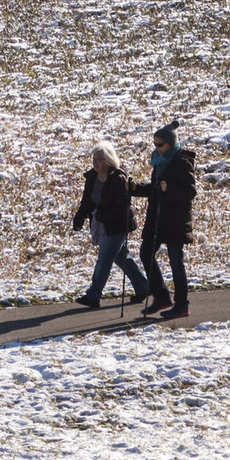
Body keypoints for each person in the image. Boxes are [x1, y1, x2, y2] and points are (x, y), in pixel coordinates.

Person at [71, 147, 148, 310]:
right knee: (121, 257)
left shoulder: (118, 179)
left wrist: (101, 215)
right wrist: (79, 218)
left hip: (118, 225)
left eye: (98, 160)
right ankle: (143, 287)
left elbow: (122, 209)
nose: (95, 163)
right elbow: (87, 201)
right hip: (102, 224)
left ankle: (93, 295)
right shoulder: (92, 177)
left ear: (108, 161)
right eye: (93, 159)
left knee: (104, 260)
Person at [137, 121, 197, 319]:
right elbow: (156, 188)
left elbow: (190, 192)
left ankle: (182, 305)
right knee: (146, 253)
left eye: (160, 144)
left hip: (175, 220)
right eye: (154, 144)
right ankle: (162, 297)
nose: (157, 148)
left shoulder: (181, 161)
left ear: (171, 143)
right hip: (157, 217)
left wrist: (168, 189)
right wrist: (135, 189)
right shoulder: (159, 160)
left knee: (175, 262)